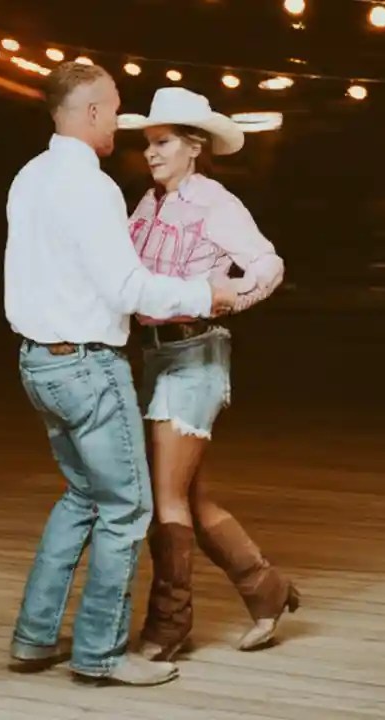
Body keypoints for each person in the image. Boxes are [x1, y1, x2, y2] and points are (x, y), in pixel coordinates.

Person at [4, 63, 237, 686]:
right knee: (127, 510)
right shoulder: (92, 187)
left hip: (36, 362)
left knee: (82, 496)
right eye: (112, 111)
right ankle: (102, 655)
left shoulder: (29, 177)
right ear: (89, 113)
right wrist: (204, 293)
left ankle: (33, 638)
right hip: (85, 366)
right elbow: (127, 285)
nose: (119, 124)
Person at [121, 87, 299, 662]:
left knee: (163, 497)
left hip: (195, 356)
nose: (151, 153)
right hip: (153, 356)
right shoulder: (146, 204)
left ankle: (169, 628)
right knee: (191, 499)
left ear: (195, 146)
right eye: (148, 143)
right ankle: (265, 588)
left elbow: (269, 263)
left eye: (163, 142)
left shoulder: (218, 203)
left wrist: (226, 300)